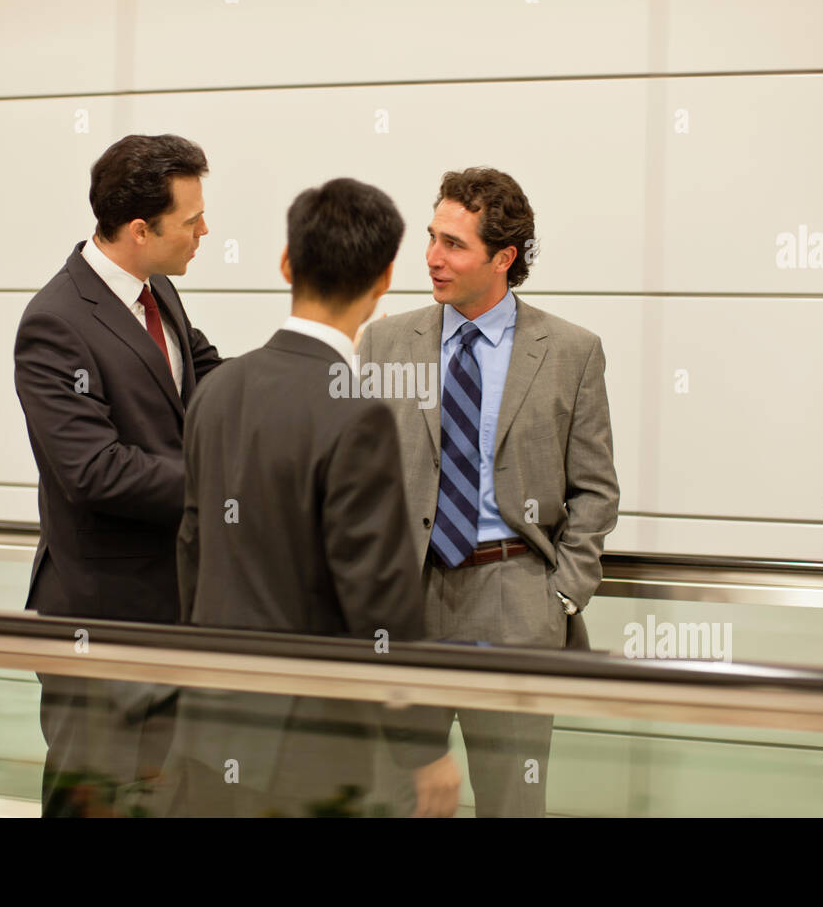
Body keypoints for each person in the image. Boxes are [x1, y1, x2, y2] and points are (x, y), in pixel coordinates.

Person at [170, 177, 460, 817]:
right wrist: (423, 747)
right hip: (306, 749)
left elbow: (193, 552)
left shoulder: (216, 391)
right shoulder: (357, 415)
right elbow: (377, 594)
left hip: (207, 726)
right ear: (384, 278)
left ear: (286, 263)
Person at [356, 167, 620, 817]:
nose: (431, 258)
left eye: (453, 244)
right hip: (404, 603)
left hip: (514, 604)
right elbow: (357, 477)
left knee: (511, 802)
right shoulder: (387, 342)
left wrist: (559, 594)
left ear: (503, 257)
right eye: (432, 236)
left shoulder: (570, 352)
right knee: (394, 797)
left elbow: (595, 491)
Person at [13, 133, 222, 816]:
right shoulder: (54, 322)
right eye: (191, 220)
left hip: (171, 617)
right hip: (97, 626)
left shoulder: (158, 288)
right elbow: (93, 471)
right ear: (140, 230)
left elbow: (207, 376)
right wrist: (223, 488)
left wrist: (296, 381)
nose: (203, 230)